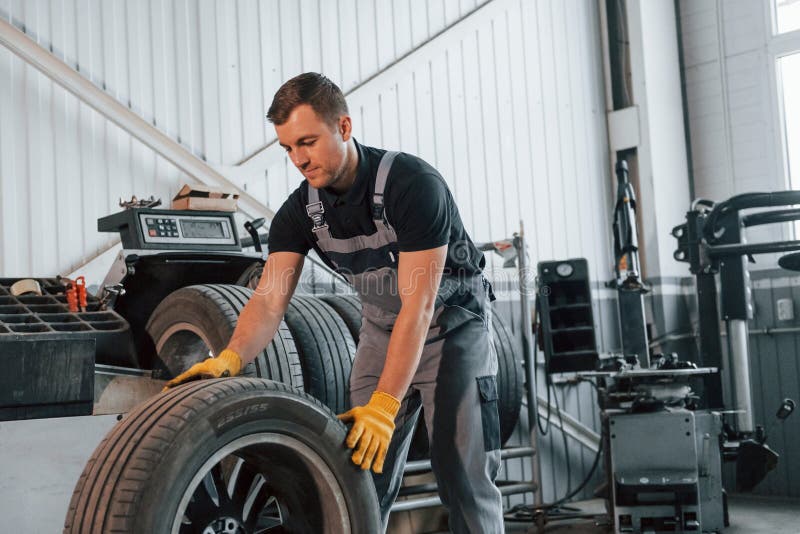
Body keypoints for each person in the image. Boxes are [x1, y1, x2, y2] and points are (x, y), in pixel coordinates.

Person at [165, 72, 503, 533]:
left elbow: (419, 307)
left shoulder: (413, 186)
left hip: (453, 328)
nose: (298, 159)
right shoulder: (301, 212)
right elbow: (268, 301)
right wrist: (230, 356)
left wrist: (385, 404)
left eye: (307, 141)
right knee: (358, 473)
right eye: (287, 148)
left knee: (465, 478)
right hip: (383, 330)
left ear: (343, 127)